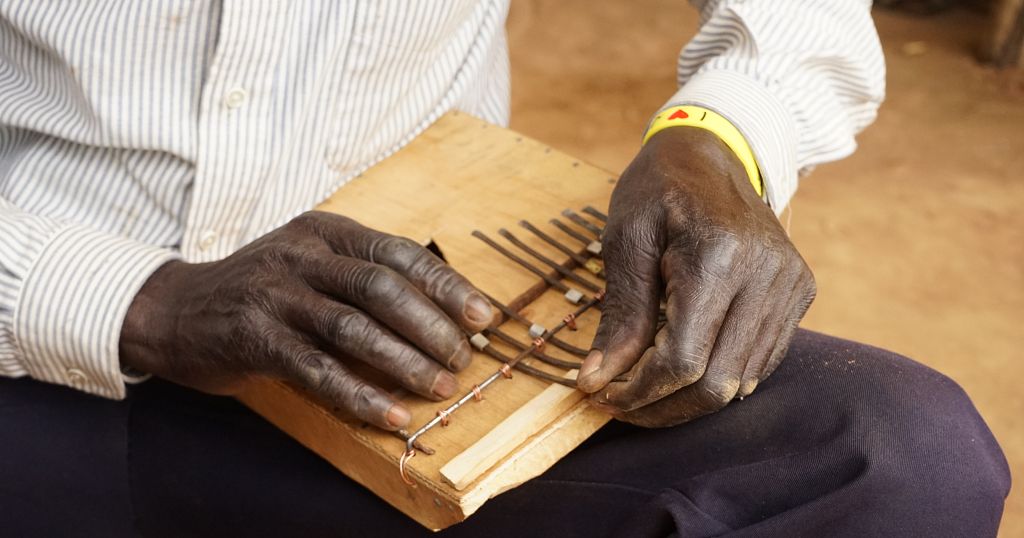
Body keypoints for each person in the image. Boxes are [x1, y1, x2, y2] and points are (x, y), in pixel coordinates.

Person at [0, 1, 1009, 536]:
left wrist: (724, 131)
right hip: (32, 346)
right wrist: (138, 297)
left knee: (901, 455)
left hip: (411, 336)